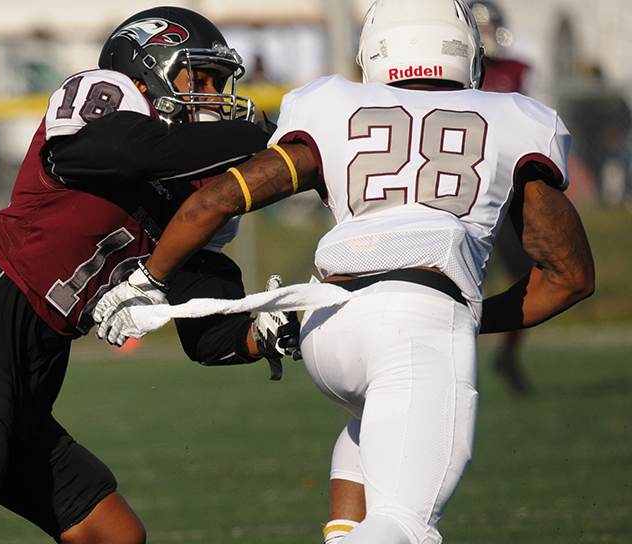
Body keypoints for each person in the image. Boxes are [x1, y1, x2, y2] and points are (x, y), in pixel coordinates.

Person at [92, 2, 595, 544]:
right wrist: (469, 317)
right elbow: (570, 276)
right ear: (465, 48)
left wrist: (149, 279)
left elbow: (213, 201)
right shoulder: (517, 118)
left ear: (373, 50)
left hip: (329, 323)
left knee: (373, 429)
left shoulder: (331, 103)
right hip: (419, 314)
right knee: (405, 525)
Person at [0, 7, 298, 544]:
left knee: (113, 536)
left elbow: (207, 333)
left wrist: (268, 331)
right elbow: (137, 152)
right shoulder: (107, 98)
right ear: (148, 70)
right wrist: (259, 136)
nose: (216, 97)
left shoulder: (197, 196)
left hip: (27, 378)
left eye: (221, 82)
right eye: (203, 78)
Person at [470, 0, 535, 395]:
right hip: (468, 193)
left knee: (526, 277)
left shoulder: (518, 70)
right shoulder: (462, 72)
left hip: (509, 191)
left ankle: (507, 353)